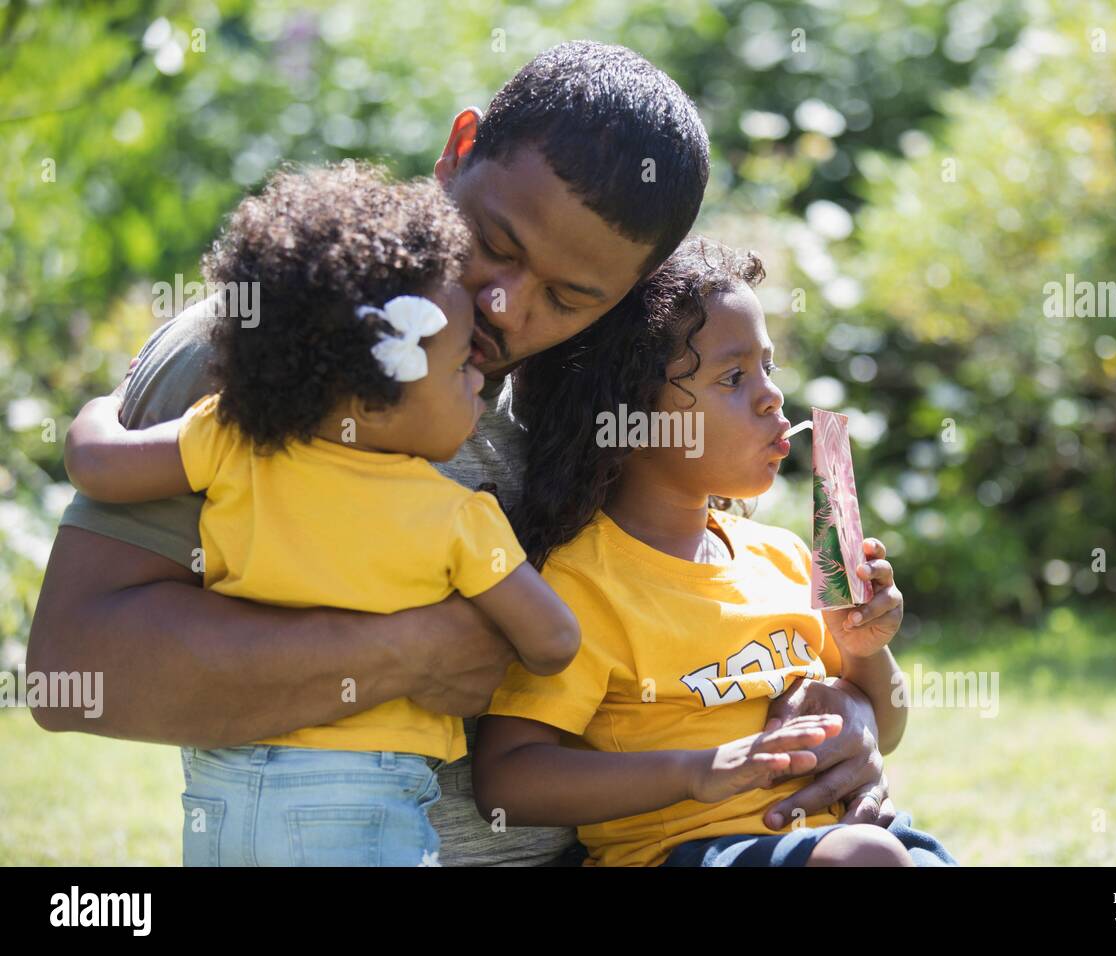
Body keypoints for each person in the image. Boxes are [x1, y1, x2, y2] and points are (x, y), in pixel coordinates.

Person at [28, 41, 915, 866]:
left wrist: (840, 709)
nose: (502, 304)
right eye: (493, 242)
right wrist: (406, 652)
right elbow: (73, 673)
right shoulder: (267, 350)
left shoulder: (594, 395)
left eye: (568, 296)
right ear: (460, 148)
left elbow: (700, 622)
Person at [63, 163, 580, 866]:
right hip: (364, 801)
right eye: (462, 368)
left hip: (224, 792)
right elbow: (553, 641)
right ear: (374, 399)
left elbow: (96, 462)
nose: (478, 382)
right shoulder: (460, 519)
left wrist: (105, 405)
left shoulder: (230, 435)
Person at [475, 238, 957, 866]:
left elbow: (886, 731)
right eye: (733, 377)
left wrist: (866, 649)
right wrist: (699, 770)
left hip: (836, 843)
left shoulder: (783, 558)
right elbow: (506, 781)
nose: (771, 398)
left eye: (768, 368)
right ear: (633, 417)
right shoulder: (583, 582)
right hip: (684, 853)